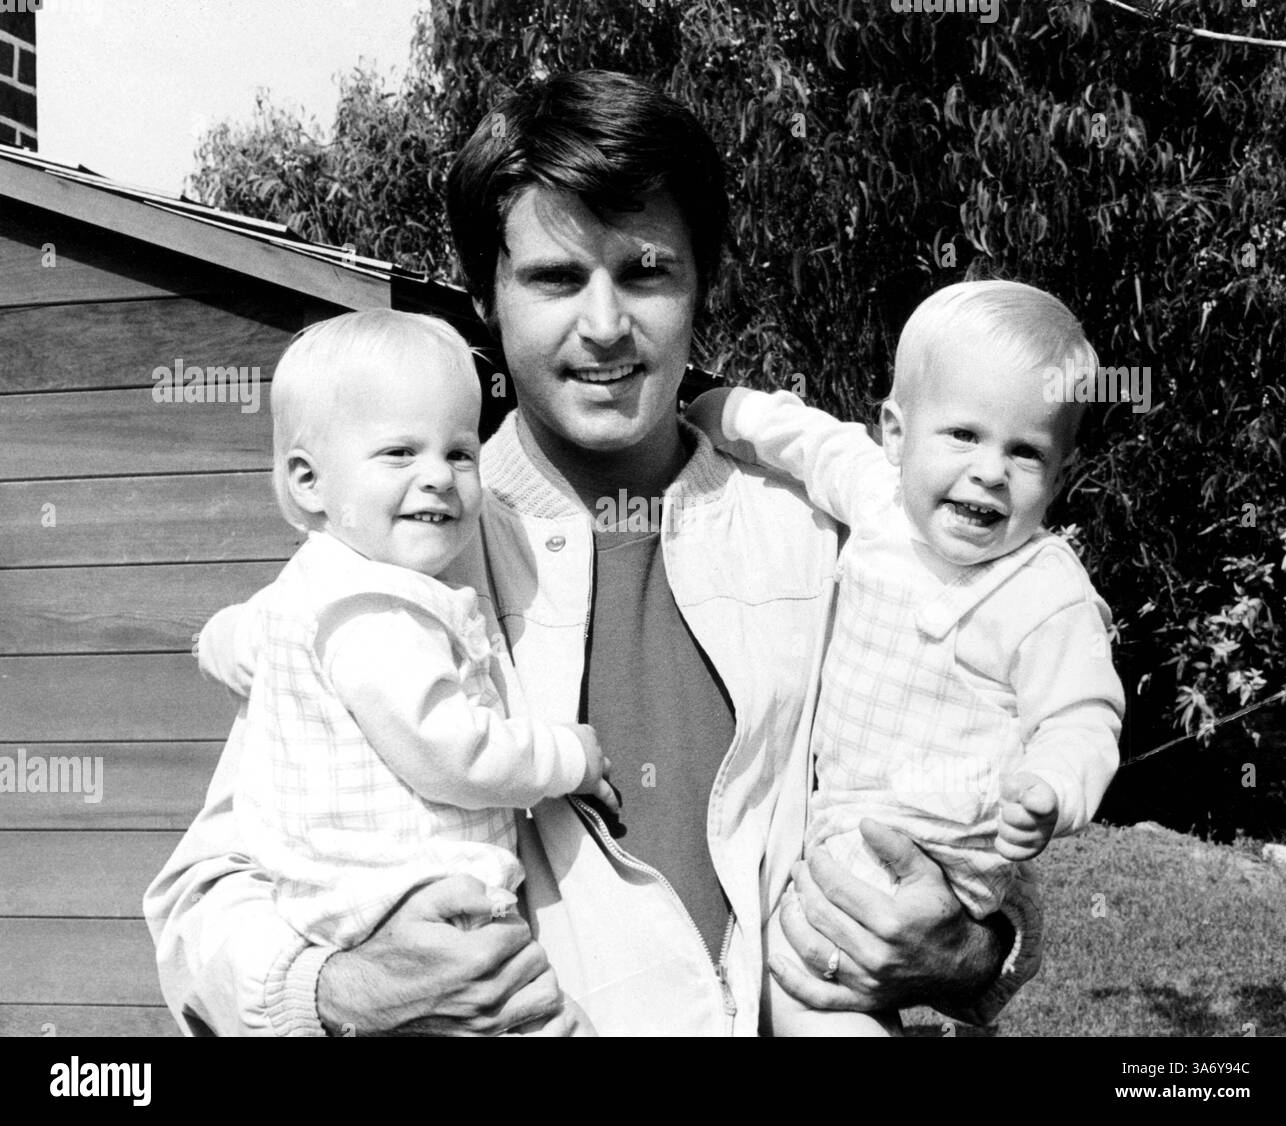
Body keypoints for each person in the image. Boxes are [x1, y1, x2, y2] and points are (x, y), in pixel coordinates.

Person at [145, 70, 1043, 1037]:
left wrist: (972, 948)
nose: (605, 323)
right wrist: (341, 989)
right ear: (487, 299)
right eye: (556, 278)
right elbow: (201, 900)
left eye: (647, 271)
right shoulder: (391, 566)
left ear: (704, 282)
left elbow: (970, 794)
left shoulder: (824, 537)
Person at [689, 280, 1123, 1035]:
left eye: (1026, 453)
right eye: (964, 435)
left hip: (942, 841)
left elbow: (1083, 713)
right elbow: (805, 438)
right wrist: (715, 410)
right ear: (896, 432)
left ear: (1058, 475)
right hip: (852, 819)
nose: (991, 471)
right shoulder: (878, 498)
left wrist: (1053, 786)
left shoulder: (1044, 590)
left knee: (798, 978)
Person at [194, 310, 616, 1034]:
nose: (439, 479)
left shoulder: (310, 588)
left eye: (459, 452)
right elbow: (454, 751)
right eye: (398, 452)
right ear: (308, 482)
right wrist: (571, 755)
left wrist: (224, 641)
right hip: (424, 913)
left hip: (344, 913)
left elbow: (233, 637)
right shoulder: (379, 612)